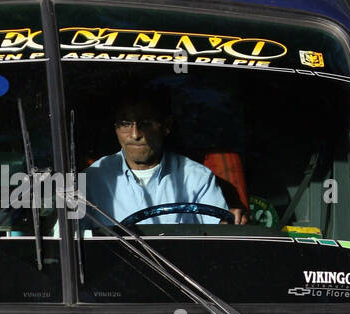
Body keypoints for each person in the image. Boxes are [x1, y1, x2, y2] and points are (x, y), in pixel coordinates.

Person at [84, 93, 249, 227]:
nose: (135, 135)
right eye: (125, 124)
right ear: (115, 128)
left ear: (166, 126)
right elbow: (66, 239)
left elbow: (219, 235)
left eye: (145, 123)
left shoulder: (197, 178)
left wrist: (230, 222)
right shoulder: (91, 179)